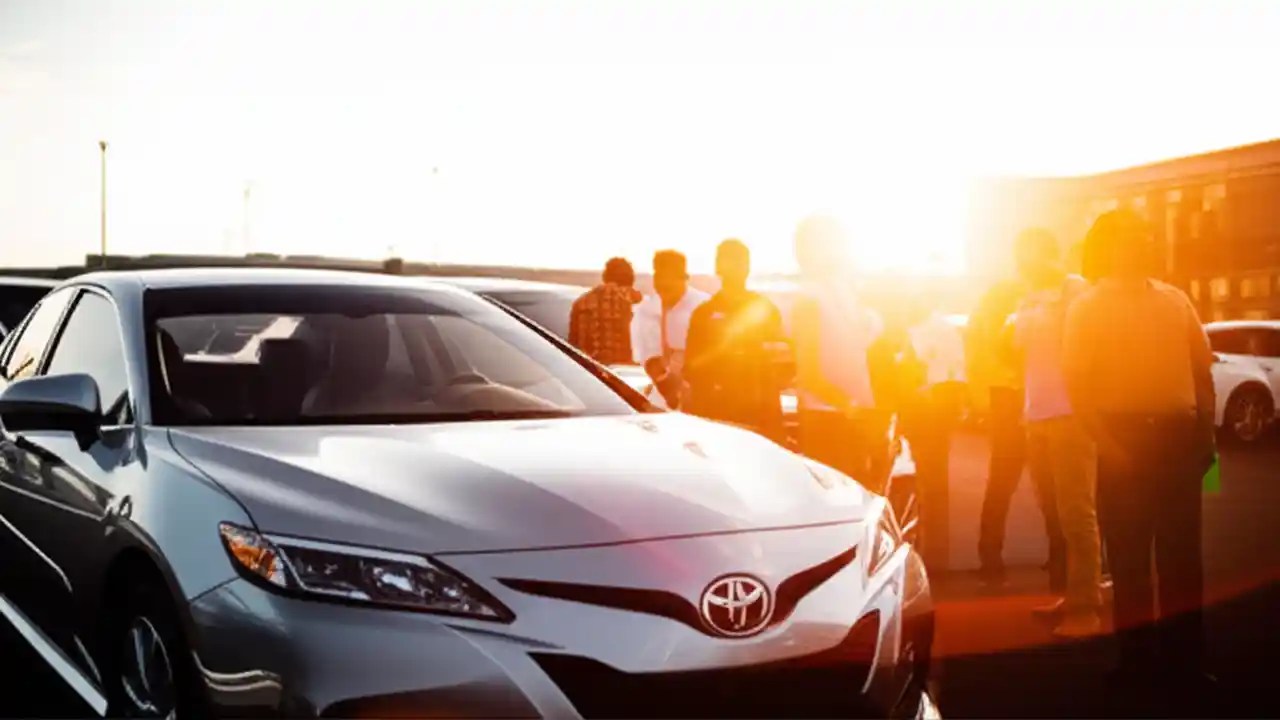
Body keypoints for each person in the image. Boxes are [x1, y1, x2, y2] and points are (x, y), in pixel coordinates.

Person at [1063, 209, 1216, 692]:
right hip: (1122, 441)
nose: (1144, 244)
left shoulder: (1176, 300)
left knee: (1182, 562)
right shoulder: (1088, 306)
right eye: (1132, 237)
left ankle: (1185, 663)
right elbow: (1077, 384)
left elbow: (1201, 370)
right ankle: (1136, 663)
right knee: (1129, 561)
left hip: (1179, 440)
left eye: (1146, 236)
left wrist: (1206, 438)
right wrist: (1107, 446)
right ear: (1109, 246)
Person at [1009, 228, 1102, 637]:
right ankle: (1074, 593)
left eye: (1031, 254)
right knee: (1056, 515)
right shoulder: (1027, 296)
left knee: (1077, 513)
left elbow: (1090, 344)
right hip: (1038, 415)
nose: (1025, 263)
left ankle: (1087, 610)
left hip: (1070, 415)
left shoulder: (1074, 291)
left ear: (1051, 254)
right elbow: (1018, 349)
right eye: (1020, 255)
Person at [971, 280, 1065, 591]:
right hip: (1023, 393)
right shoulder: (1034, 300)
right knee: (1048, 485)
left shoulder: (996, 299)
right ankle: (1059, 562)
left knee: (1003, 483)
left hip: (1011, 394)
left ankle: (991, 565)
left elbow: (984, 351)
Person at [790, 215, 888, 485]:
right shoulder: (808, 299)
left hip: (851, 417)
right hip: (827, 421)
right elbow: (809, 374)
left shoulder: (847, 291)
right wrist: (851, 407)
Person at [684, 239, 787, 441]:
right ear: (718, 267)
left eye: (740, 262)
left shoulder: (764, 309)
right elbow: (692, 369)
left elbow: (783, 362)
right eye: (729, 261)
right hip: (717, 416)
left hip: (761, 416)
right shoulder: (704, 313)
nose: (735, 268)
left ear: (748, 267)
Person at [631, 250, 710, 409]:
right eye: (658, 277)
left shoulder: (703, 307)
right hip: (661, 402)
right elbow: (648, 357)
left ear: (683, 278)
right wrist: (669, 389)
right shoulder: (646, 310)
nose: (662, 284)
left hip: (701, 398)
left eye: (668, 278)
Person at [569, 257, 640, 365]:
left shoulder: (581, 303)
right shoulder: (633, 299)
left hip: (590, 371)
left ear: (605, 277)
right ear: (631, 280)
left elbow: (572, 347)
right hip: (626, 374)